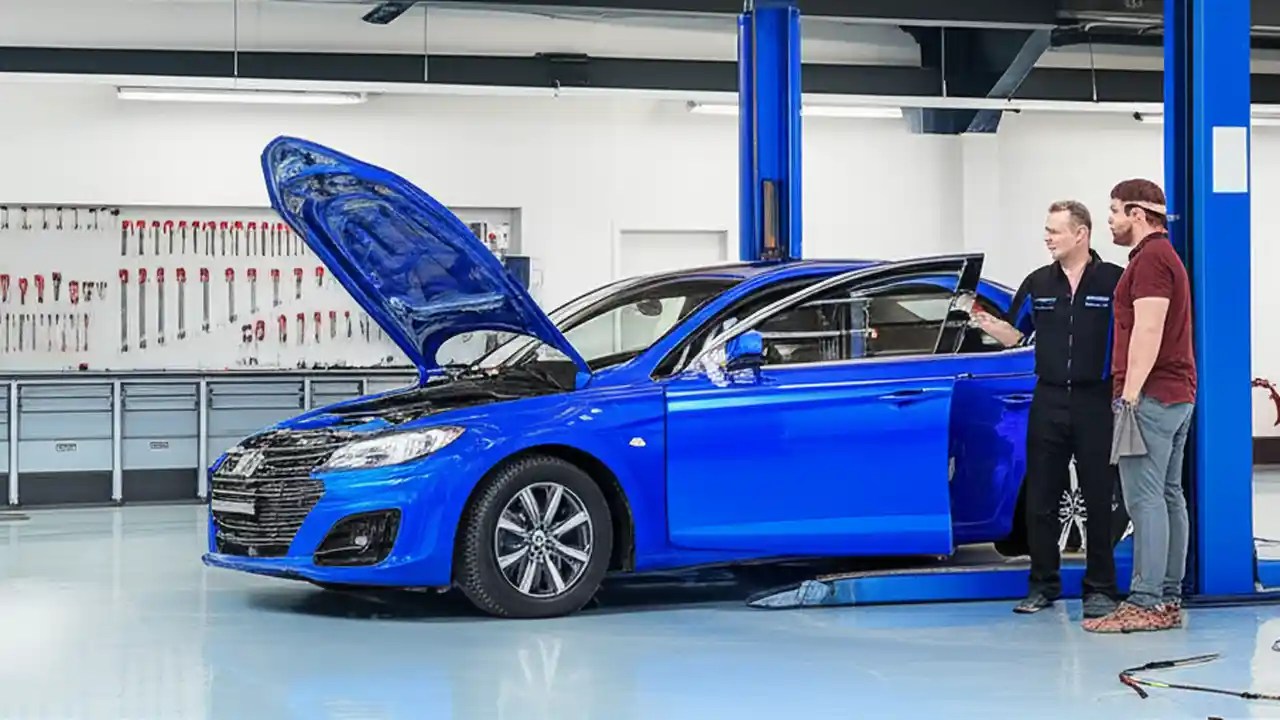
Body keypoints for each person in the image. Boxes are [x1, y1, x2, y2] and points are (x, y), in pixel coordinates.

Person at [974, 200, 1125, 620]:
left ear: (1081, 234)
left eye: (1055, 231)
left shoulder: (1114, 281)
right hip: (1050, 397)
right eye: (1046, 230)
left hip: (1097, 400)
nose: (1047, 237)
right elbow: (1014, 334)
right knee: (1041, 497)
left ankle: (1100, 588)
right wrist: (983, 321)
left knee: (1099, 497)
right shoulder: (1038, 283)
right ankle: (1043, 584)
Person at [1084, 179, 1196, 634]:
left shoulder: (1150, 261)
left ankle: (1147, 602)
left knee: (1145, 499)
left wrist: (1129, 392)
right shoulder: (1164, 258)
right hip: (1176, 394)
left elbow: (1148, 329)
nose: (1108, 220)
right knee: (1169, 496)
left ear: (1136, 213)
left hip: (1149, 397)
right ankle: (1167, 598)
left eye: (1113, 211)